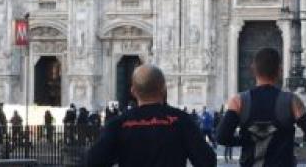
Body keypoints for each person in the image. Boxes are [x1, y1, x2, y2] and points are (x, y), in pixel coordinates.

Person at [84, 64, 216, 167]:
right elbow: (207, 161)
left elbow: (93, 162)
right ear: (164, 89)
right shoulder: (182, 120)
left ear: (133, 91)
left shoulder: (118, 124)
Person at [216, 47, 306, 167]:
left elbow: (222, 137)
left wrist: (246, 140)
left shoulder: (238, 101)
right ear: (280, 71)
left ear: (253, 69)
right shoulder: (291, 101)